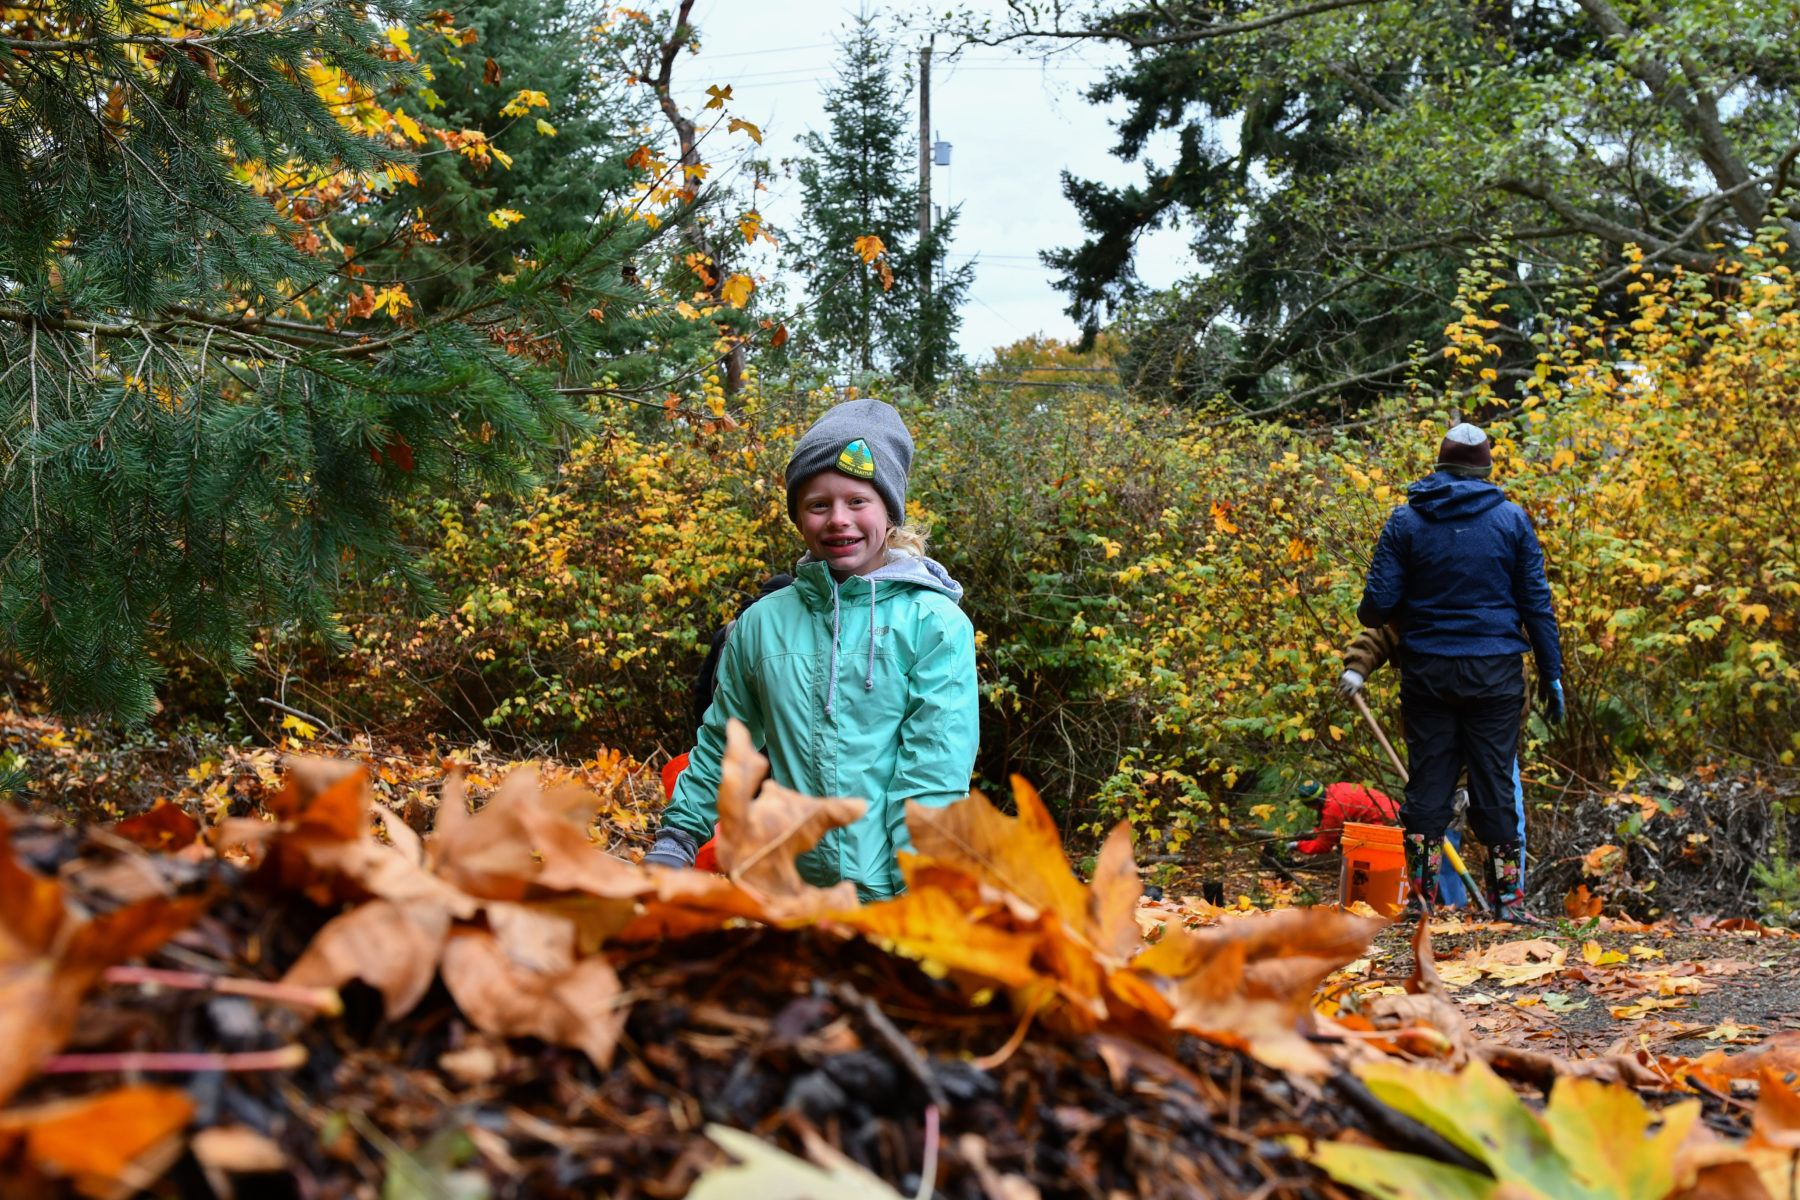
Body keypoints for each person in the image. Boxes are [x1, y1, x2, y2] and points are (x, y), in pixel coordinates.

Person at [640, 399, 981, 900]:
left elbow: (933, 770)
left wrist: (923, 890)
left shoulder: (934, 624)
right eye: (819, 505)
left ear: (889, 512)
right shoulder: (761, 625)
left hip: (889, 898)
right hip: (784, 894)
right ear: (799, 518)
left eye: (857, 502)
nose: (838, 519)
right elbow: (724, 746)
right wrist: (679, 837)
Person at [1355, 423, 1564, 922]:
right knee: (1495, 781)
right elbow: (1537, 604)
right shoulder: (1513, 521)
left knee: (1429, 783)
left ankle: (1420, 901)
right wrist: (1552, 672)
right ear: (1486, 469)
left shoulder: (1405, 522)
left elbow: (1375, 608)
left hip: (1427, 672)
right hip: (1495, 674)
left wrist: (1413, 607)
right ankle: (1506, 904)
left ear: (1439, 466)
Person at [1337, 624, 1528, 910]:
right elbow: (1383, 632)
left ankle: (1509, 903)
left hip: (1493, 736)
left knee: (1508, 816)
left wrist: (1469, 784)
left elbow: (1512, 716)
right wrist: (1357, 667)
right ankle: (1445, 906)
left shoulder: (1497, 628)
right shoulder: (1426, 602)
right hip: (1437, 735)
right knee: (1436, 823)